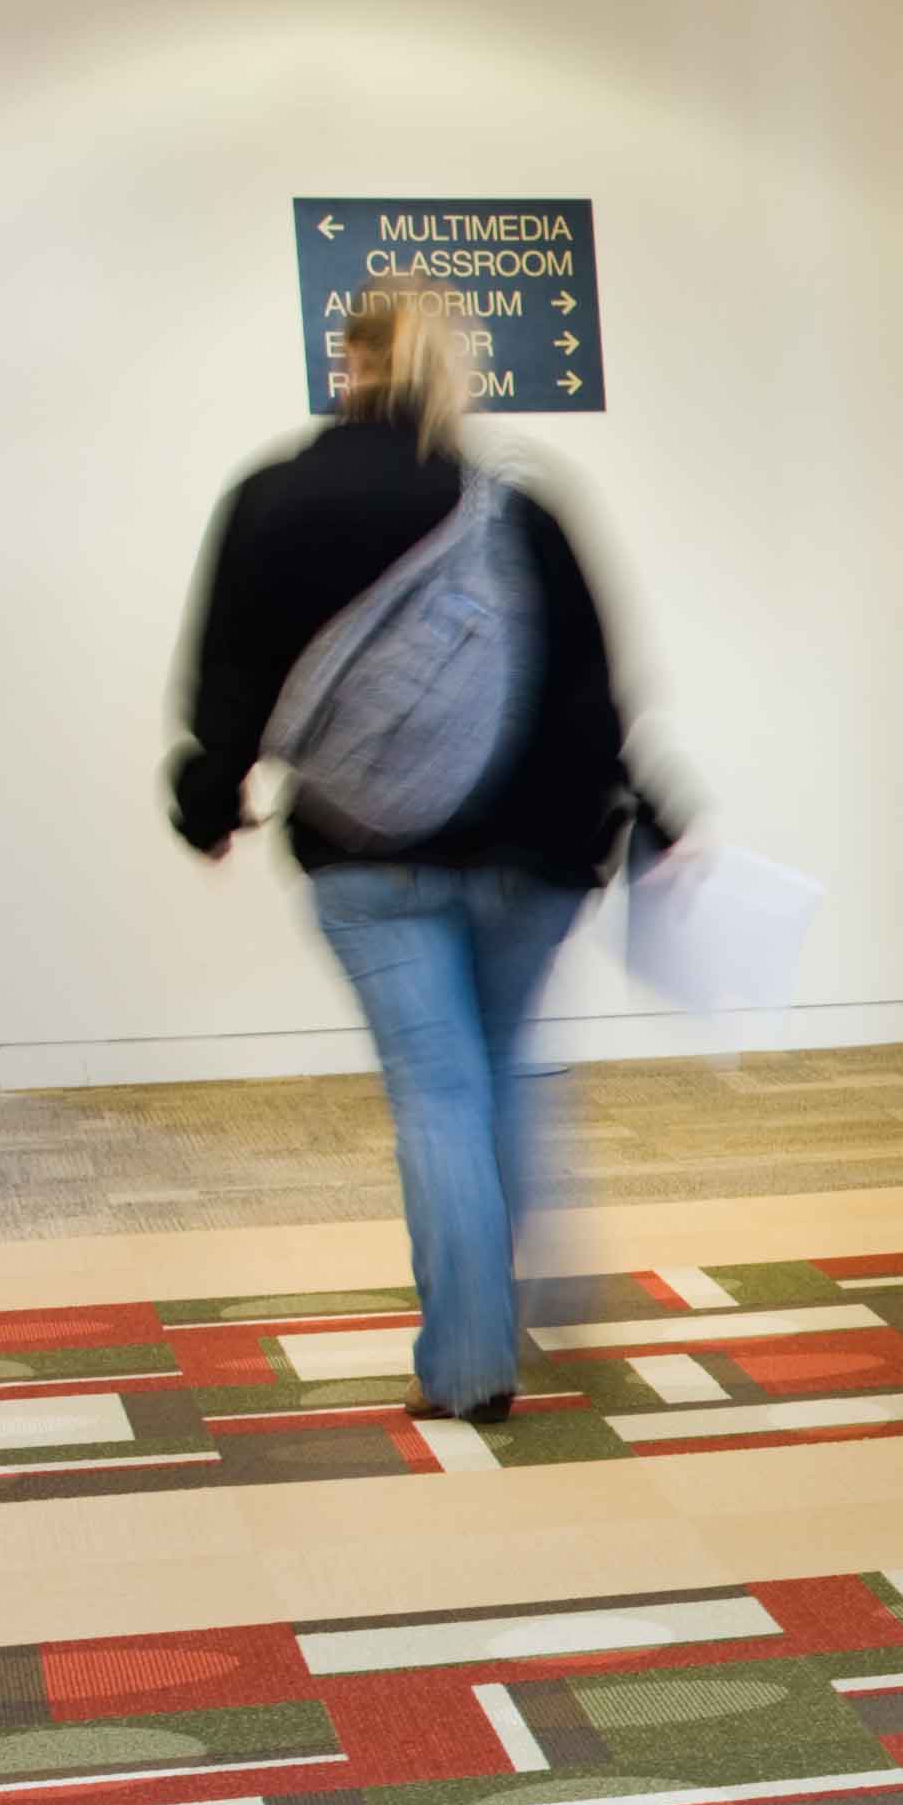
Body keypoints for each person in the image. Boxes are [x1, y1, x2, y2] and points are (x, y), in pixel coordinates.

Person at [169, 283, 675, 1425]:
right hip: (535, 857)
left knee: (437, 1092)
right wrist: (659, 818)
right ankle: (528, 1298)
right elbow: (595, 691)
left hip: (368, 857)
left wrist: (210, 802)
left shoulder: (271, 500)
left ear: (345, 365)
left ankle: (466, 1363)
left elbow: (228, 682)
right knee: (502, 1073)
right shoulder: (516, 509)